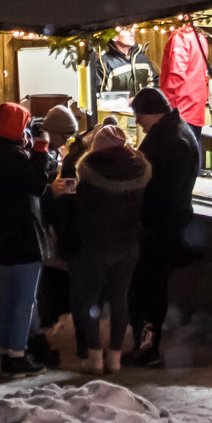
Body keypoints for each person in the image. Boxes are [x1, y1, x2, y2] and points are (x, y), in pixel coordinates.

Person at [61, 122, 149, 373]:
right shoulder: (139, 170)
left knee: (91, 302)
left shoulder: (88, 172)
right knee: (120, 300)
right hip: (127, 246)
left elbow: (78, 210)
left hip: (95, 245)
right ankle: (115, 358)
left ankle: (95, 357)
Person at [0, 103, 59, 375]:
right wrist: (40, 150)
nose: (27, 128)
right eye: (23, 123)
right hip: (23, 236)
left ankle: (8, 351)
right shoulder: (12, 156)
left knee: (10, 297)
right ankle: (16, 354)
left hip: (2, 235)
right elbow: (37, 184)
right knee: (23, 298)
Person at [127, 85, 201, 367]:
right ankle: (145, 346)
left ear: (150, 113)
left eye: (139, 116)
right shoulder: (178, 131)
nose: (137, 123)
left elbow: (159, 189)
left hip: (159, 228)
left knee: (148, 289)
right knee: (150, 288)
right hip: (168, 224)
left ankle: (147, 348)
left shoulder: (168, 140)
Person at [159, 23, 212, 138]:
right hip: (197, 107)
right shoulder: (201, 37)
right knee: (193, 150)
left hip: (180, 108)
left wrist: (163, 102)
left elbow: (177, 74)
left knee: (178, 153)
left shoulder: (179, 38)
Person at [96, 27, 156, 96]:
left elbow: (155, 83)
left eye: (132, 28)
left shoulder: (141, 58)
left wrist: (144, 99)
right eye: (125, 29)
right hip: (120, 107)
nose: (132, 33)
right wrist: (126, 102)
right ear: (114, 37)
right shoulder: (104, 64)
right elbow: (100, 96)